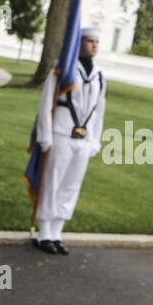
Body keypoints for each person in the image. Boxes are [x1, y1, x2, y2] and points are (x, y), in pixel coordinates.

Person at [33, 28, 106, 255]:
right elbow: (47, 103)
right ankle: (44, 231)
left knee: (72, 185)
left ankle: (57, 230)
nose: (93, 46)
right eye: (88, 41)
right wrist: (45, 135)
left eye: (96, 42)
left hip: (84, 139)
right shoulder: (63, 68)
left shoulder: (100, 75)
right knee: (53, 181)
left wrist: (96, 140)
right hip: (61, 133)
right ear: (78, 43)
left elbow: (99, 110)